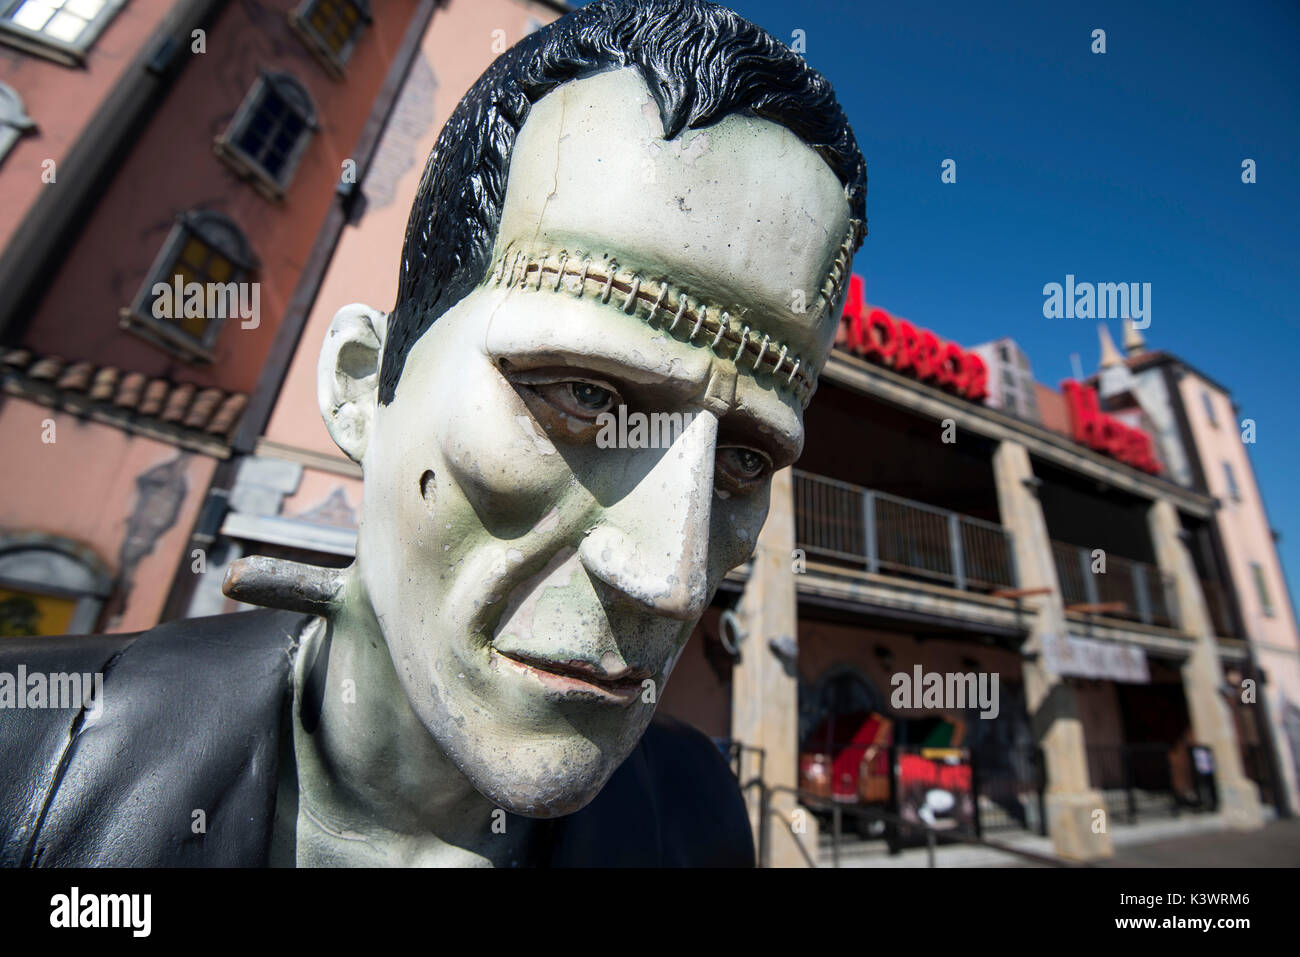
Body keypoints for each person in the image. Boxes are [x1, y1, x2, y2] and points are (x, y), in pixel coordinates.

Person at [0, 0, 866, 867]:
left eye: (745, 458)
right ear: (363, 386)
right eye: (581, 393)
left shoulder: (697, 819)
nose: (672, 579)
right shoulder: (30, 754)